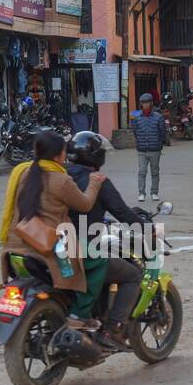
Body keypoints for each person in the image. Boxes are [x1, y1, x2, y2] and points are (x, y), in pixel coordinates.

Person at [0, 130, 106, 334]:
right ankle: (80, 315)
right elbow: (84, 205)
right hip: (46, 248)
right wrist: (94, 183)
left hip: (14, 244)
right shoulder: (60, 180)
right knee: (99, 259)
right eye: (64, 151)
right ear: (58, 155)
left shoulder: (22, 172)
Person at [65, 131, 144, 351]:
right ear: (97, 157)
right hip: (83, 249)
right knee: (133, 274)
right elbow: (122, 212)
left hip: (57, 246)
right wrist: (148, 229)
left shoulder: (61, 175)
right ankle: (113, 328)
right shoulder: (98, 180)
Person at [132, 92, 167, 204]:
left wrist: (159, 145)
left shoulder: (159, 117)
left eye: (147, 102)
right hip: (142, 150)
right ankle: (141, 193)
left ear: (151, 103)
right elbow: (135, 132)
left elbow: (162, 132)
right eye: (143, 103)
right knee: (142, 172)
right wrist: (140, 143)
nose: (145, 105)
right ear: (141, 104)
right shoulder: (136, 118)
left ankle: (154, 192)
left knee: (155, 172)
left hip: (155, 150)